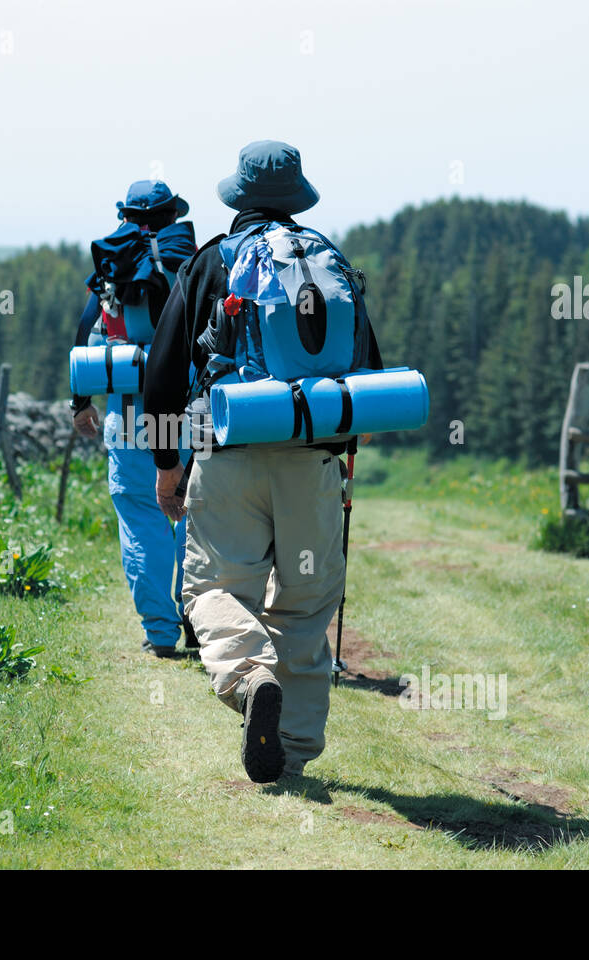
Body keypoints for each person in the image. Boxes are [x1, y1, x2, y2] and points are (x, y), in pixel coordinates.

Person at [143, 142, 383, 782]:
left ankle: (251, 679)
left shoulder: (212, 262)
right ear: (296, 197)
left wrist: (169, 464)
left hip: (227, 452)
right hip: (312, 458)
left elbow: (163, 373)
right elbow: (371, 372)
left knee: (215, 587)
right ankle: (294, 752)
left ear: (239, 197)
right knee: (305, 605)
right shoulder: (327, 264)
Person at [71, 180, 199, 658]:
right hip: (187, 414)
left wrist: (80, 402)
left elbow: (86, 330)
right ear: (172, 216)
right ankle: (199, 621)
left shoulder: (113, 266)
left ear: (126, 215)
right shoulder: (187, 260)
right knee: (191, 516)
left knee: (142, 521)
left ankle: (160, 635)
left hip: (128, 419)